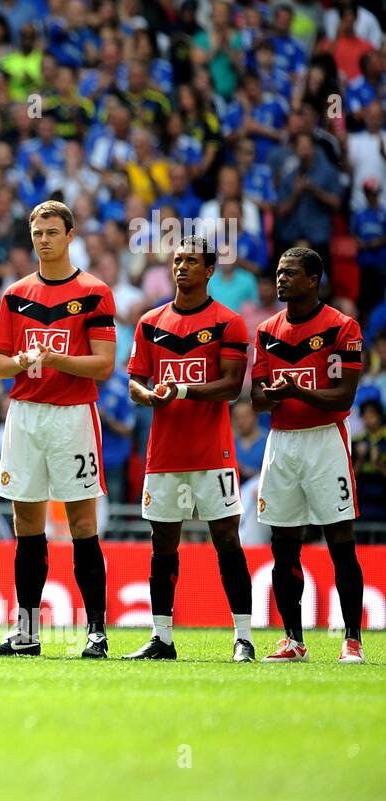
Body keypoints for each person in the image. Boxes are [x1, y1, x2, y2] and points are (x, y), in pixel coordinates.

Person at [0, 200, 117, 658]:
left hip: (73, 414)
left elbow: (104, 365)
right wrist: (20, 361)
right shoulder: (16, 294)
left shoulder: (94, 291)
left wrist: (58, 360)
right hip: (25, 414)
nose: (43, 240)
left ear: (70, 236)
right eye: (37, 232)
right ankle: (27, 631)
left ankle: (96, 632)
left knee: (81, 521)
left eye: (52, 232)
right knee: (26, 523)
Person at [124, 238, 255, 662]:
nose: (181, 267)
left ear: (210, 270)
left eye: (191, 261)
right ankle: (162, 637)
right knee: (162, 543)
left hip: (211, 453)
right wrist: (149, 396)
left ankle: (244, 637)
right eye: (177, 260)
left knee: (226, 540)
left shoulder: (228, 322)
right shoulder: (149, 322)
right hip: (163, 453)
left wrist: (180, 388)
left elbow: (233, 386)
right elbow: (134, 383)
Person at [251, 248, 367, 664]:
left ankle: (352, 639)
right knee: (283, 543)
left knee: (340, 540)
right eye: (279, 272)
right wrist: (273, 397)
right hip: (282, 443)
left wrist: (297, 391)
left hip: (325, 441)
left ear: (314, 278)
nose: (281, 279)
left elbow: (344, 396)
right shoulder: (266, 331)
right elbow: (256, 400)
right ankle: (293, 639)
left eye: (291, 273)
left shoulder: (341, 327)